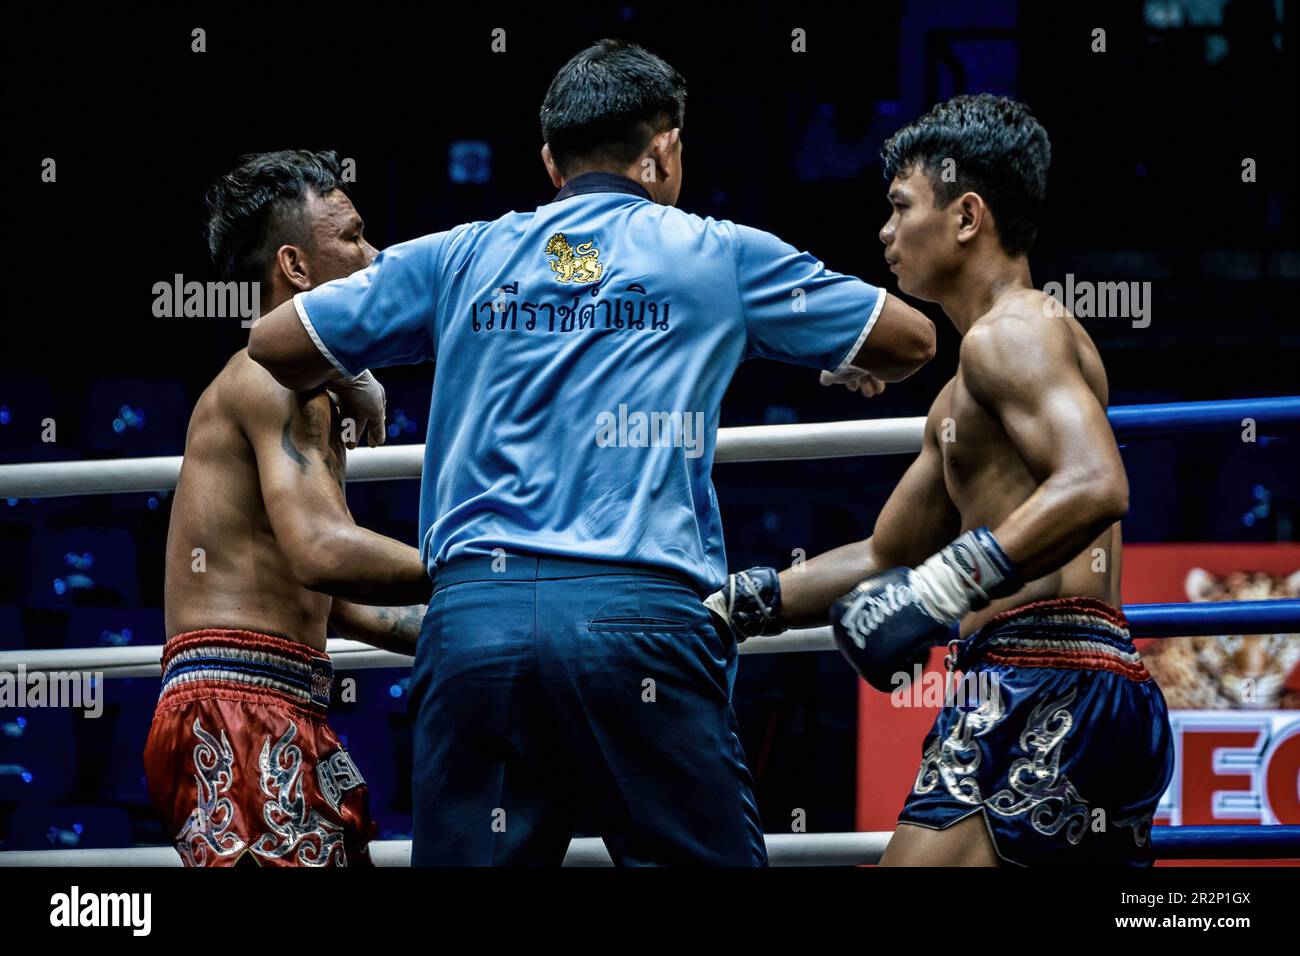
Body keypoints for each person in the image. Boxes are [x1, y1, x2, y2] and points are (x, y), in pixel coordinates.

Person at [247, 40, 935, 866]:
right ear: (666, 150)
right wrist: (826, 353)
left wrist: (356, 376)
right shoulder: (719, 253)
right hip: (640, 623)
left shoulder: (460, 254)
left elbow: (275, 341)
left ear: (550, 160)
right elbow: (912, 339)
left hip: (477, 627)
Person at [707, 95, 1174, 867]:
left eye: (899, 208)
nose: (886, 233)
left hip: (1041, 683)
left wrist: (937, 592)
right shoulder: (965, 389)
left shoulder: (1014, 333)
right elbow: (888, 554)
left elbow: (1096, 484)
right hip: (1080, 686)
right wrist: (736, 605)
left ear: (966, 217)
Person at [143, 150, 431, 868]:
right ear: (296, 268)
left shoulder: (306, 390)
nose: (376, 256)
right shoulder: (275, 387)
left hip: (280, 702)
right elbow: (324, 550)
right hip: (238, 708)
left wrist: (474, 625)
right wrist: (486, 569)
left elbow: (331, 599)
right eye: (354, 238)